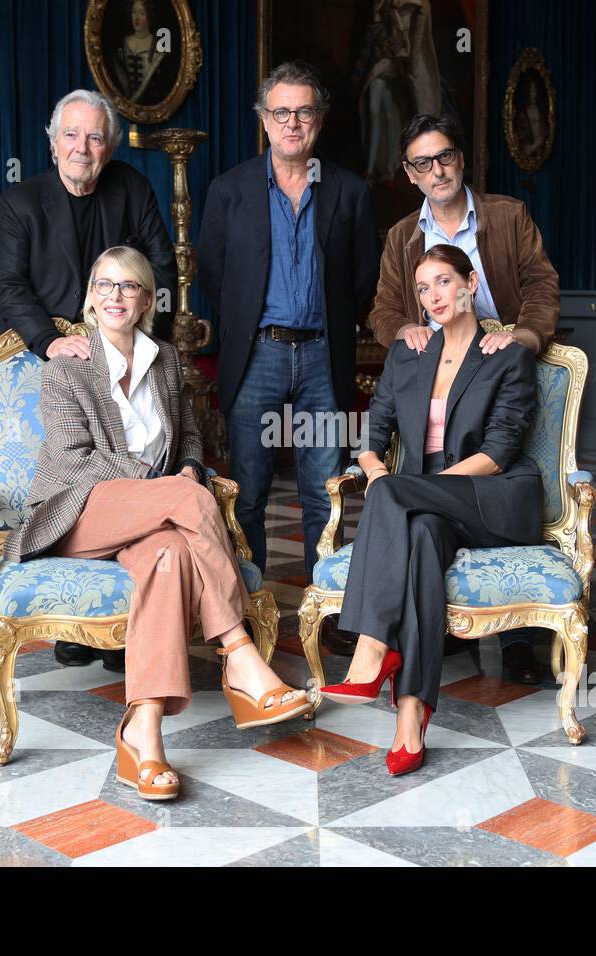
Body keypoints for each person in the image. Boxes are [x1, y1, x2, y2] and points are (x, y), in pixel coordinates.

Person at [2, 246, 312, 801]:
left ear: (147, 299)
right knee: (189, 500)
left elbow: (189, 437)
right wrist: (167, 486)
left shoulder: (165, 360)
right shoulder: (66, 366)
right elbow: (76, 459)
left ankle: (141, 735)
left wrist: (188, 468)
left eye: (128, 287)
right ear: (90, 297)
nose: (114, 296)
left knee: (170, 554)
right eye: (104, 285)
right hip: (78, 508)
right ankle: (240, 656)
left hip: (154, 517)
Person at [321, 244, 541, 776]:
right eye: (423, 288)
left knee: (400, 496)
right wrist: (377, 472)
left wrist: (410, 487)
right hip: (426, 504)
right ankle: (409, 719)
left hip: (490, 497)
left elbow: (498, 451)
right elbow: (371, 438)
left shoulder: (505, 353)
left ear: (470, 283)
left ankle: (371, 648)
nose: (433, 296)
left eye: (443, 282)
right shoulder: (409, 353)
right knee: (417, 535)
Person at [366, 112, 559, 684]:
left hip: (503, 361)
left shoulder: (506, 215)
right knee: (428, 513)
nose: (437, 170)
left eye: (444, 156)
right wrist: (406, 330)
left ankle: (520, 638)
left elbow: (541, 287)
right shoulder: (404, 236)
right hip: (445, 366)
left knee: (479, 470)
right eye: (422, 162)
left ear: (461, 159)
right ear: (410, 173)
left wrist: (518, 339)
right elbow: (384, 309)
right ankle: (440, 628)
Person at [0, 88, 175, 672]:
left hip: (125, 349)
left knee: (136, 463)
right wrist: (51, 340)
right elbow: (8, 287)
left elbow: (161, 265)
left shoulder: (133, 187)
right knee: (90, 470)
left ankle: (125, 625)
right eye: (71, 135)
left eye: (95, 137)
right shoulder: (21, 202)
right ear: (53, 143)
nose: (82, 147)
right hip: (60, 362)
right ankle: (81, 626)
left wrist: (141, 335)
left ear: (110, 145)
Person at [198, 61, 379, 582]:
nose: (292, 123)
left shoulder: (349, 192)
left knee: (324, 491)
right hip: (258, 356)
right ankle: (250, 607)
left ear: (318, 120)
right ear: (264, 119)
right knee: (248, 491)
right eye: (281, 112)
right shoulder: (229, 191)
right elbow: (214, 269)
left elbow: (363, 276)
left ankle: (327, 608)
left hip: (324, 357)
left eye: (303, 112)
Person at [112, 0, 165, 103]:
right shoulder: (123, 43)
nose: (136, 18)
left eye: (142, 13)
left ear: (149, 17)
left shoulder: (158, 46)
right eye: (134, 12)